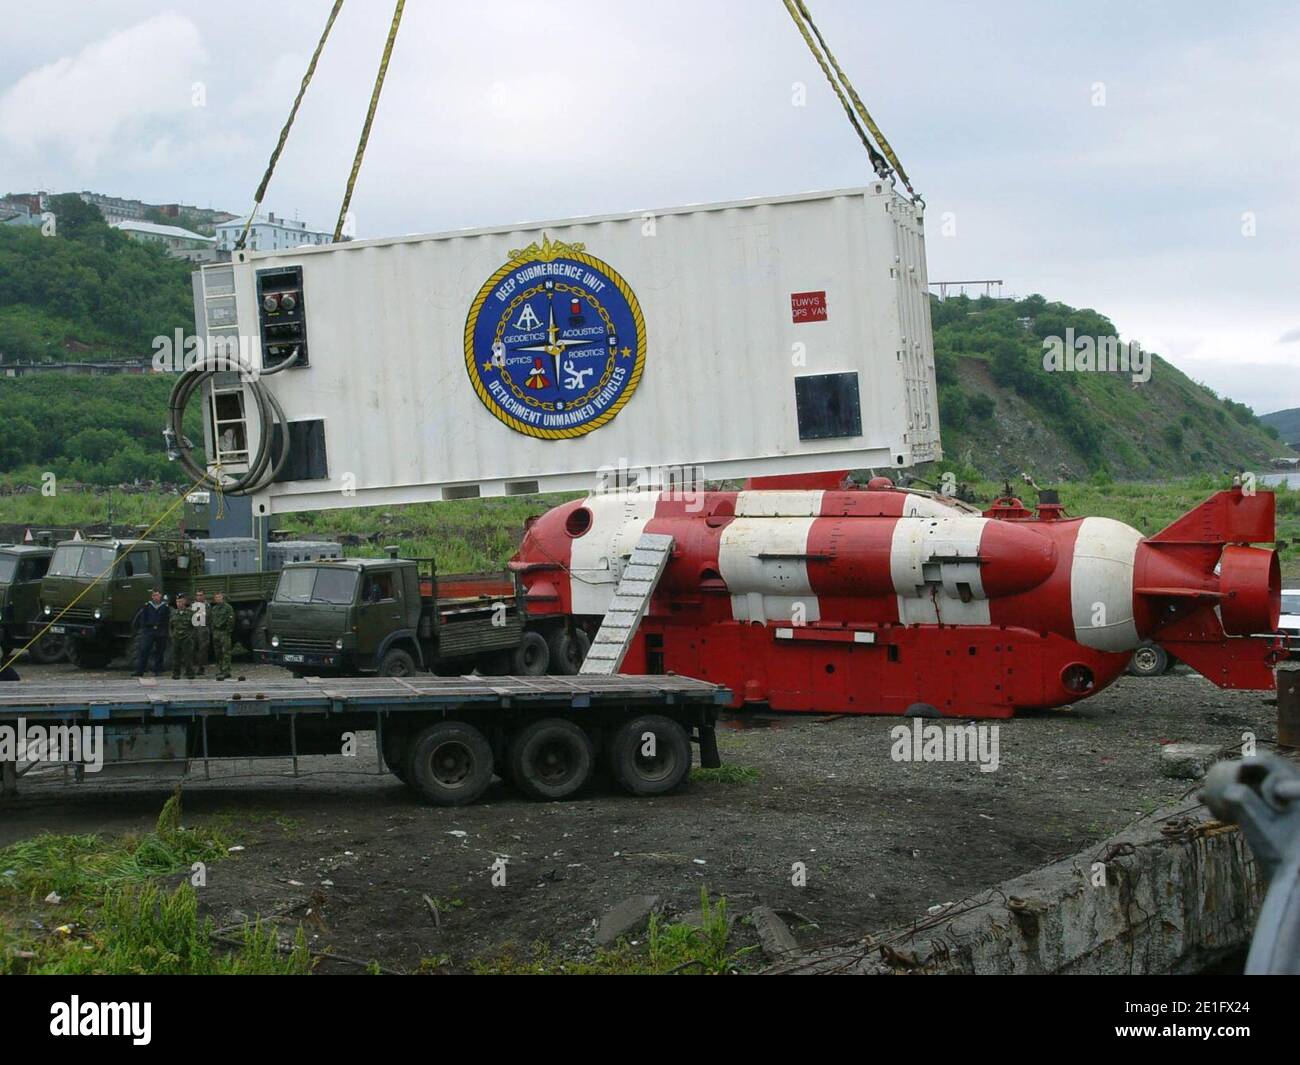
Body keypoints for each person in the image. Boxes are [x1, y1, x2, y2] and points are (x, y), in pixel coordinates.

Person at [131, 589, 170, 678]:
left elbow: (167, 620)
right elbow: (143, 619)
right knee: (144, 650)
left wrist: (164, 631)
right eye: (154, 595)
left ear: (160, 596)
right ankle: (140, 670)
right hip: (149, 631)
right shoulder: (147, 606)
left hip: (160, 631)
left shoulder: (165, 607)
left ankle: (158, 670)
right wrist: (146, 628)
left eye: (157, 595)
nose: (156, 597)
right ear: (152, 597)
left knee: (160, 651)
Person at [209, 590, 236, 681]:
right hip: (216, 633)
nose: (218, 599)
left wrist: (227, 631)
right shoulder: (214, 609)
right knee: (218, 653)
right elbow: (211, 620)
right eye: (216, 597)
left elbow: (231, 620)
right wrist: (213, 631)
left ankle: (226, 671)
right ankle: (221, 670)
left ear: (222, 597)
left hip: (224, 633)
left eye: (219, 597)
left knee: (226, 653)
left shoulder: (228, 608)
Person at [169, 594, 196, 680]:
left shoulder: (190, 613)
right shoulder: (173, 613)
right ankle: (176, 674)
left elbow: (195, 626)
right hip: (176, 638)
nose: (179, 603)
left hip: (187, 638)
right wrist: (171, 635)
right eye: (177, 602)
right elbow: (170, 626)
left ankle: (190, 673)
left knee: (188, 657)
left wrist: (191, 636)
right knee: (176, 657)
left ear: (184, 602)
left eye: (180, 601)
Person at [191, 590, 210, 676]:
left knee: (202, 649)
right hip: (194, 628)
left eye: (201, 595)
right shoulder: (193, 605)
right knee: (191, 648)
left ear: (204, 596)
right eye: (197, 595)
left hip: (203, 628)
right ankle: (191, 668)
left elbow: (209, 617)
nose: (199, 597)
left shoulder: (207, 605)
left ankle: (201, 668)